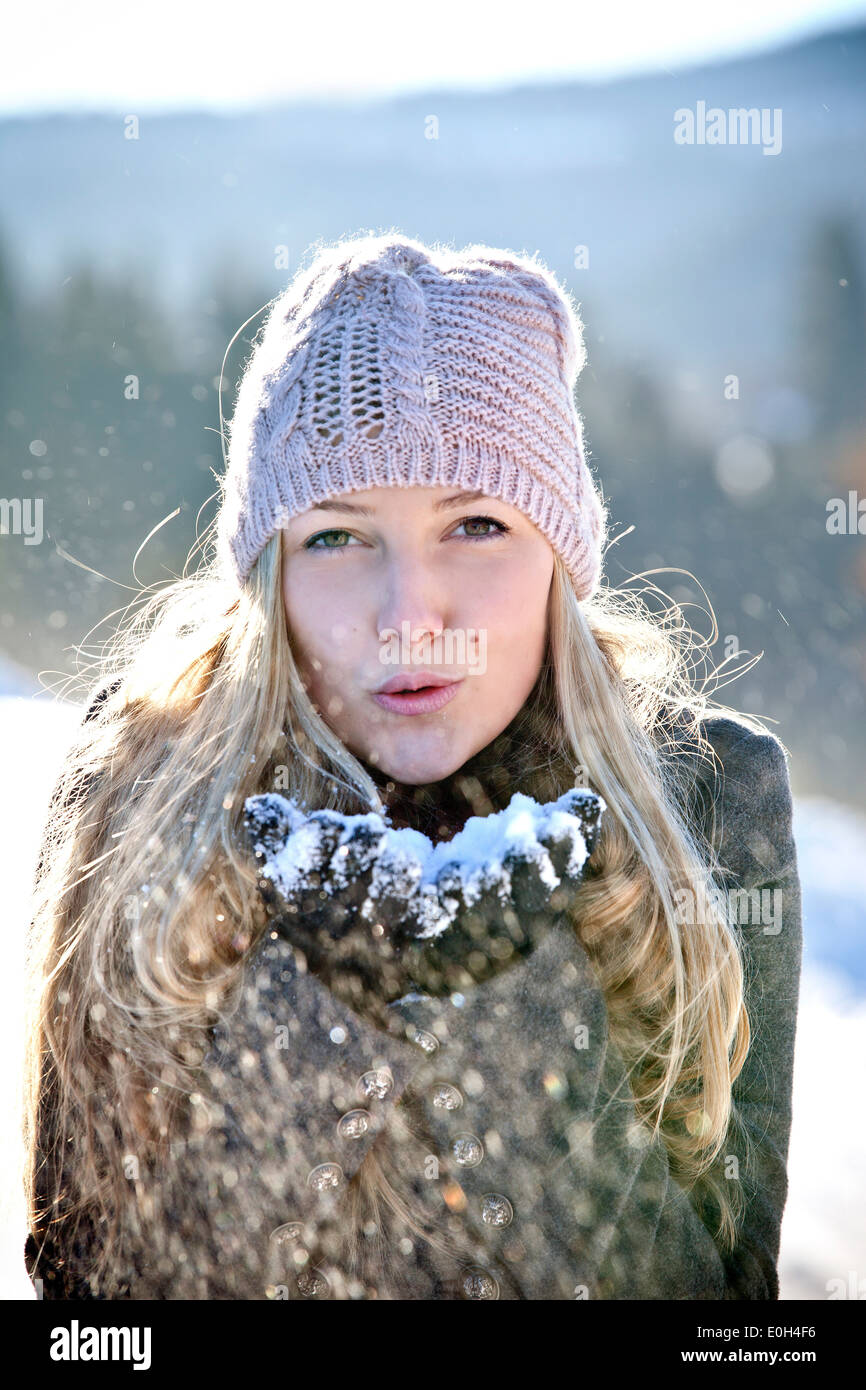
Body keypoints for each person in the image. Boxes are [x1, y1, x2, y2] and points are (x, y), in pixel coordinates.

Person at [22, 231, 802, 1300]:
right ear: (268, 574)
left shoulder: (707, 797)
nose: (408, 616)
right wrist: (320, 1012)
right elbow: (89, 1310)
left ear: (558, 557)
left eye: (474, 523)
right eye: (337, 537)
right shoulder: (143, 787)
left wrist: (514, 1007)